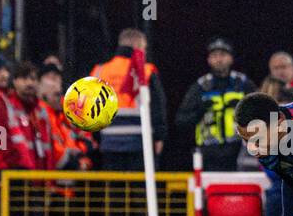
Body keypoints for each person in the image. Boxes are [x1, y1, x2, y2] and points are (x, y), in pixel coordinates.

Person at [88, 28, 167, 171]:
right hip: (140, 143)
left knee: (115, 191)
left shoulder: (99, 71)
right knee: (139, 191)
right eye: (144, 48)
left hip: (109, 143)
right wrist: (159, 137)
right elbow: (158, 107)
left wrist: (98, 139)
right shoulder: (146, 70)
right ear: (137, 46)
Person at [175, 38, 256, 172]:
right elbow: (181, 121)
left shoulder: (243, 83)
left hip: (240, 151)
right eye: (214, 56)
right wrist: (199, 112)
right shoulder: (200, 87)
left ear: (231, 58)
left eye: (223, 55)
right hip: (209, 154)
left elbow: (262, 111)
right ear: (208, 60)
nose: (219, 59)